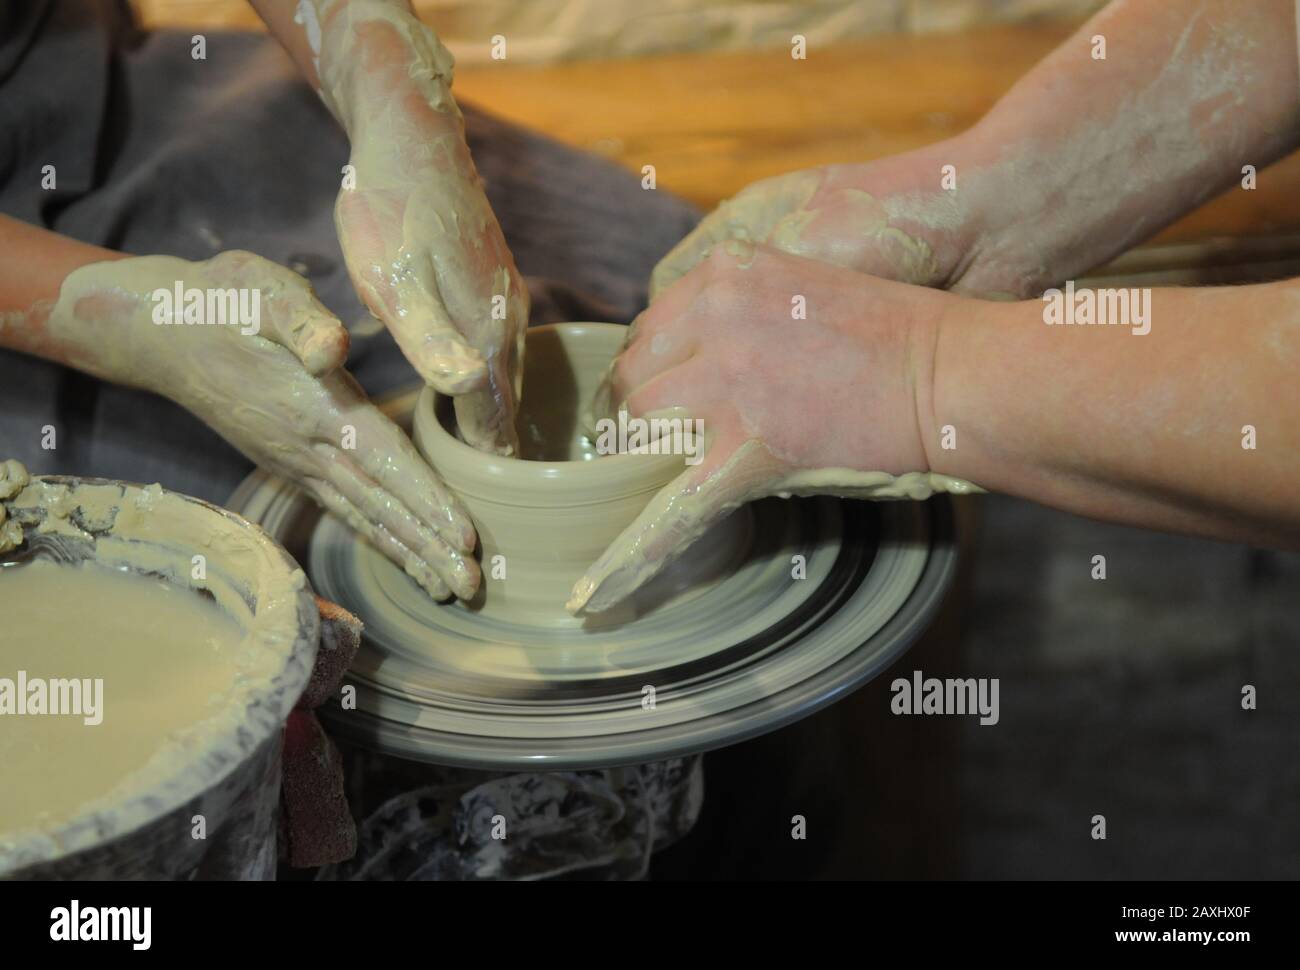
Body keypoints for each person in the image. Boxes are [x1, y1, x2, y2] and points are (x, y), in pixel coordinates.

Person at [2, 0, 1297, 619]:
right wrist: (92, 311)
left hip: (96, 90)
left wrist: (383, 79)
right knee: (208, 635)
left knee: (666, 283)